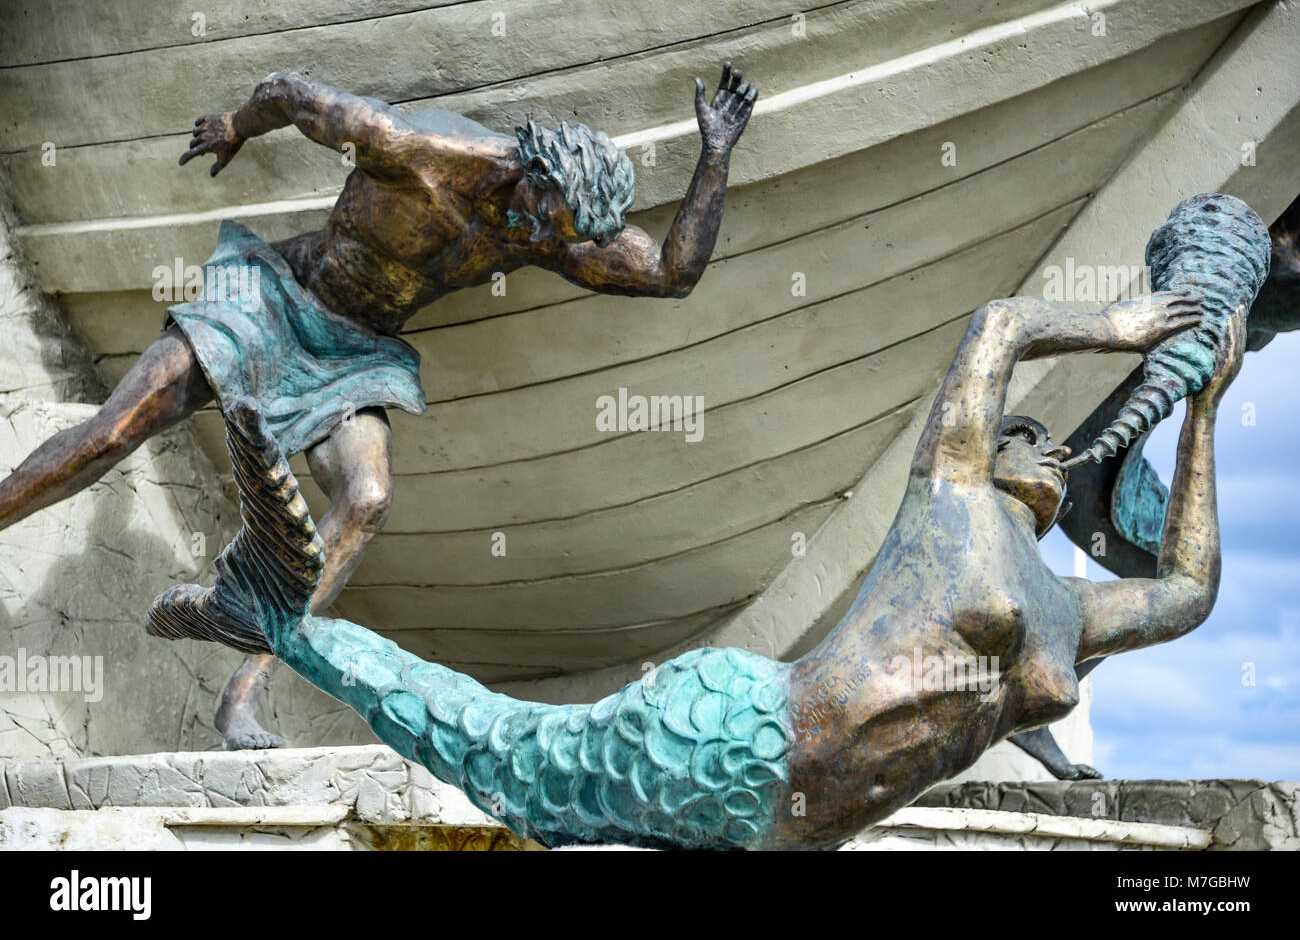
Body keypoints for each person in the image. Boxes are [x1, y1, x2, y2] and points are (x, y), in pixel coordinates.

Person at [150, 288, 1241, 849]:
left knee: (516, 762)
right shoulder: (952, 499)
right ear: (990, 455)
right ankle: (273, 617)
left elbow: (1190, 591)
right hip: (735, 741)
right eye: (1024, 434)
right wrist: (1119, 325)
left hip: (781, 826)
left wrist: (1202, 404)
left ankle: (257, 611)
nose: (1045, 446)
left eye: (1056, 443)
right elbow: (997, 327)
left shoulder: (1068, 613)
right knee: (504, 749)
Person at [0, 63, 758, 750]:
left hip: (355, 354)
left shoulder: (547, 227)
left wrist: (715, 155)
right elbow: (292, 93)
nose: (541, 244)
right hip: (272, 296)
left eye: (556, 241)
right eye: (540, 223)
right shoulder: (415, 149)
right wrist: (233, 127)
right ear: (535, 171)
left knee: (368, 497)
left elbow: (668, 272)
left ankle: (242, 693)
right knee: (112, 433)